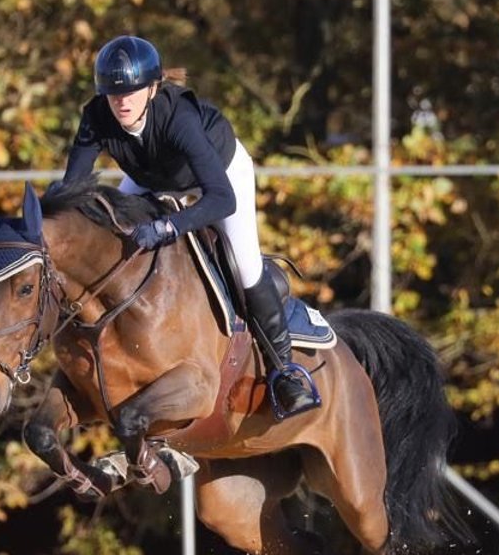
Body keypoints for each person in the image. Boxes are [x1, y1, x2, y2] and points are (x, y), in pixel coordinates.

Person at [60, 34, 320, 418]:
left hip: (221, 175)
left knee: (244, 264)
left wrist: (166, 228)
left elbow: (221, 198)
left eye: (132, 92)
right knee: (114, 232)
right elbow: (74, 189)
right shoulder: (96, 116)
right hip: (153, 178)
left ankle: (285, 373)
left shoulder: (178, 118)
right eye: (113, 94)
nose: (121, 102)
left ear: (153, 87)